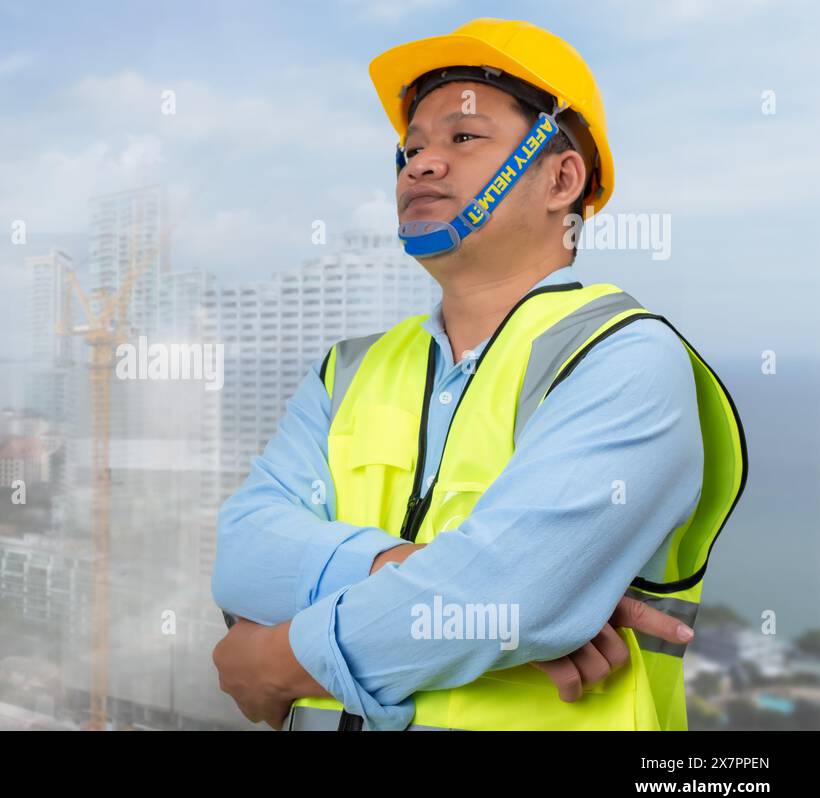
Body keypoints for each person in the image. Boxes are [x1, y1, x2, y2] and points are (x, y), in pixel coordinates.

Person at [210, 18, 747, 731]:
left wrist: (271, 660)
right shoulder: (347, 369)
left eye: (463, 138)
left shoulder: (622, 356)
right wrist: (415, 572)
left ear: (562, 179)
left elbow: (509, 598)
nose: (420, 166)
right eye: (411, 149)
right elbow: (241, 554)